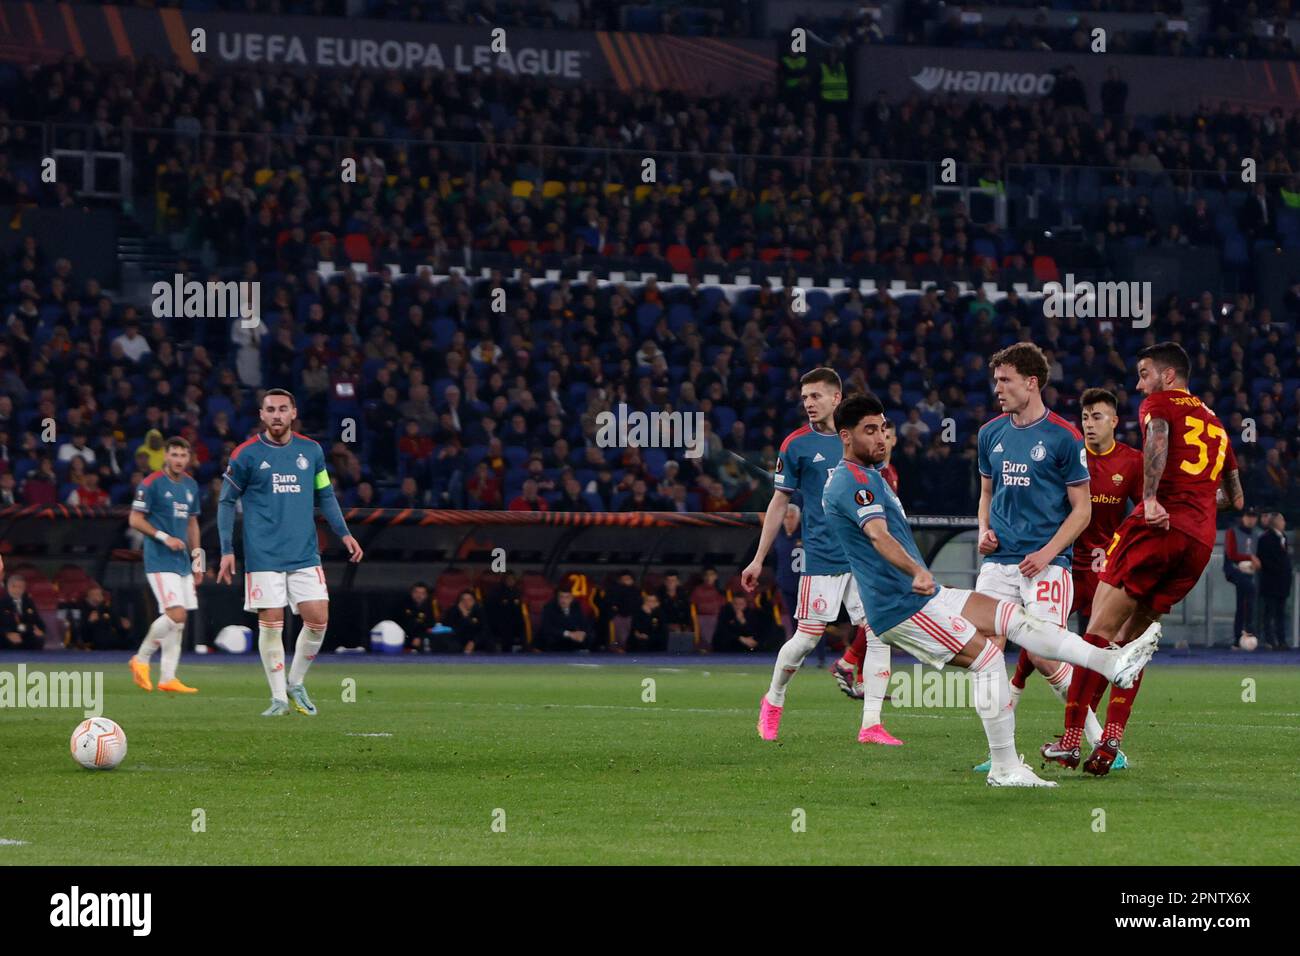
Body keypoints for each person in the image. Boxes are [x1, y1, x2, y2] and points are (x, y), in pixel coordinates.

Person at [822, 394, 1158, 786]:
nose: (881, 438)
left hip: (925, 596)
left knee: (1013, 618)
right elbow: (878, 536)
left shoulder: (871, 475)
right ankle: (1004, 767)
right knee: (988, 659)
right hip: (902, 607)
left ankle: (1111, 665)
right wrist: (916, 570)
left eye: (882, 428)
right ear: (845, 436)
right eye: (870, 431)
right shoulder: (851, 481)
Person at [1059, 343, 1243, 775]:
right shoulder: (1217, 426)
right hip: (1198, 543)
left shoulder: (1159, 404)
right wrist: (1196, 502)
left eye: (1144, 374)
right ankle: (1109, 742)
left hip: (1157, 528)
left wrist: (1151, 498)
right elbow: (1235, 496)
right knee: (1132, 642)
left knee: (1098, 633)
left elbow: (1157, 437)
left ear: (1169, 376)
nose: (1140, 384)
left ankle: (1068, 741)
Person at [740, 368, 895, 746]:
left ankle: (871, 724)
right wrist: (759, 558)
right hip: (823, 557)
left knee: (880, 633)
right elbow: (780, 502)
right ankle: (773, 701)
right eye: (805, 397)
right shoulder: (796, 446)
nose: (809, 403)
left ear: (836, 398)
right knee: (807, 639)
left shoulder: (859, 437)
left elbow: (878, 490)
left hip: (863, 555)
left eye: (816, 396)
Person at [971, 342, 1094, 772]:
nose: (998, 389)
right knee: (983, 652)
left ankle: (1098, 741)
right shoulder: (990, 434)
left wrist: (1047, 553)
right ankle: (1000, 755)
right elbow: (986, 494)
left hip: (1046, 564)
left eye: (1005, 380)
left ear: (1031, 382)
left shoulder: (1064, 437)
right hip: (998, 562)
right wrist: (983, 530)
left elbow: (1083, 509)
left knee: (1043, 655)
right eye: (996, 380)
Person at [217, 389, 364, 716]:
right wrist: (227, 550)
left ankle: (295, 682)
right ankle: (278, 698)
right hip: (263, 554)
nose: (277, 415)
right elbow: (226, 501)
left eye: (283, 409)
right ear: (262, 415)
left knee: (318, 619)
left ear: (293, 412)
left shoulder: (311, 451)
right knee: (272, 623)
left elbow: (325, 495)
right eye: (270, 410)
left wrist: (344, 533)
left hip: (304, 553)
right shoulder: (245, 455)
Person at [1039, 388, 1141, 768]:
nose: (1089, 424)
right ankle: (1005, 745)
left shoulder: (1132, 461)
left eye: (1097, 417)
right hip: (1065, 565)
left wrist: (1124, 548)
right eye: (1085, 418)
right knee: (1038, 647)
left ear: (1114, 421)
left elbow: (1147, 508)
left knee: (1115, 648)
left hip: (1108, 572)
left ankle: (1104, 736)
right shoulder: (1069, 456)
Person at [127, 436, 202, 693]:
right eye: (175, 455)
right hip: (159, 559)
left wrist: (198, 559)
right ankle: (141, 658)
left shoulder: (191, 485)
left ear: (188, 458)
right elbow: (135, 519)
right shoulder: (151, 484)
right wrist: (163, 537)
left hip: (182, 561)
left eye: (183, 456)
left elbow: (192, 524)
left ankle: (168, 677)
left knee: (179, 622)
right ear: (166, 457)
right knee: (175, 613)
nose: (179, 460)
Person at [1223, 508, 1261, 649]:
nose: (1251, 520)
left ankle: (1239, 637)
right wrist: (1250, 557)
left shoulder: (1256, 534)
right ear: (1243, 517)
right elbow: (1232, 554)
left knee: (1242, 602)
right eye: (1248, 517)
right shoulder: (1232, 532)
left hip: (1249, 571)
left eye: (1253, 517)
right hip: (1233, 569)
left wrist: (1255, 562)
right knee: (1249, 591)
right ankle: (1248, 629)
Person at [1257, 513, 1292, 651]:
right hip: (1271, 582)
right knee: (1269, 612)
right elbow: (1264, 559)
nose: (1284, 522)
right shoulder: (1265, 539)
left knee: (1280, 613)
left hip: (1282, 583)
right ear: (1275, 522)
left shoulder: (1283, 537)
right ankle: (1270, 640)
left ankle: (1282, 640)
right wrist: (1279, 570)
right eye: (1282, 519)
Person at [66, 585, 131, 650]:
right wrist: (90, 622)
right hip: (92, 644)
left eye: (99, 595)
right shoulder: (81, 610)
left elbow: (118, 627)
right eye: (94, 594)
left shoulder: (107, 609)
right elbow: (78, 633)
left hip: (111, 644)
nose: (97, 597)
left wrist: (125, 627)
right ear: (87, 598)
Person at [539, 585, 594, 652]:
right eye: (561, 597)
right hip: (556, 641)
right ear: (557, 598)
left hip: (573, 641)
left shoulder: (576, 608)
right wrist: (568, 634)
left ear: (572, 598)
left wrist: (583, 634)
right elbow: (547, 628)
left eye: (567, 597)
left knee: (590, 635)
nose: (563, 600)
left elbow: (584, 624)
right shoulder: (549, 608)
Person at [0, 574, 46, 650]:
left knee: (38, 639)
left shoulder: (28, 602)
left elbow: (38, 621)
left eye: (20, 587)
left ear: (24, 588)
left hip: (27, 635)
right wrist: (7, 634)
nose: (17, 590)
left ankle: (35, 660)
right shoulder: (2, 603)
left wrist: (40, 630)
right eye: (14, 586)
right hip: (6, 638)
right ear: (7, 587)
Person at [441, 590, 491, 654]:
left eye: (470, 600)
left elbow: (484, 630)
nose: (466, 602)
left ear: (474, 601)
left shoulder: (480, 611)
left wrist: (473, 642)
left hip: (476, 641)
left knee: (489, 641)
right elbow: (453, 631)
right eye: (463, 600)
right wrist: (464, 616)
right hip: (458, 641)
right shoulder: (452, 611)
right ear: (459, 602)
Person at [398, 582, 435, 653]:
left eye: (422, 593)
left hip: (423, 639)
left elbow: (431, 626)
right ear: (411, 593)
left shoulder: (431, 607)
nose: (419, 595)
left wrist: (420, 637)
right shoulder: (402, 606)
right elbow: (400, 624)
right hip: (404, 638)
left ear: (427, 595)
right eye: (416, 592)